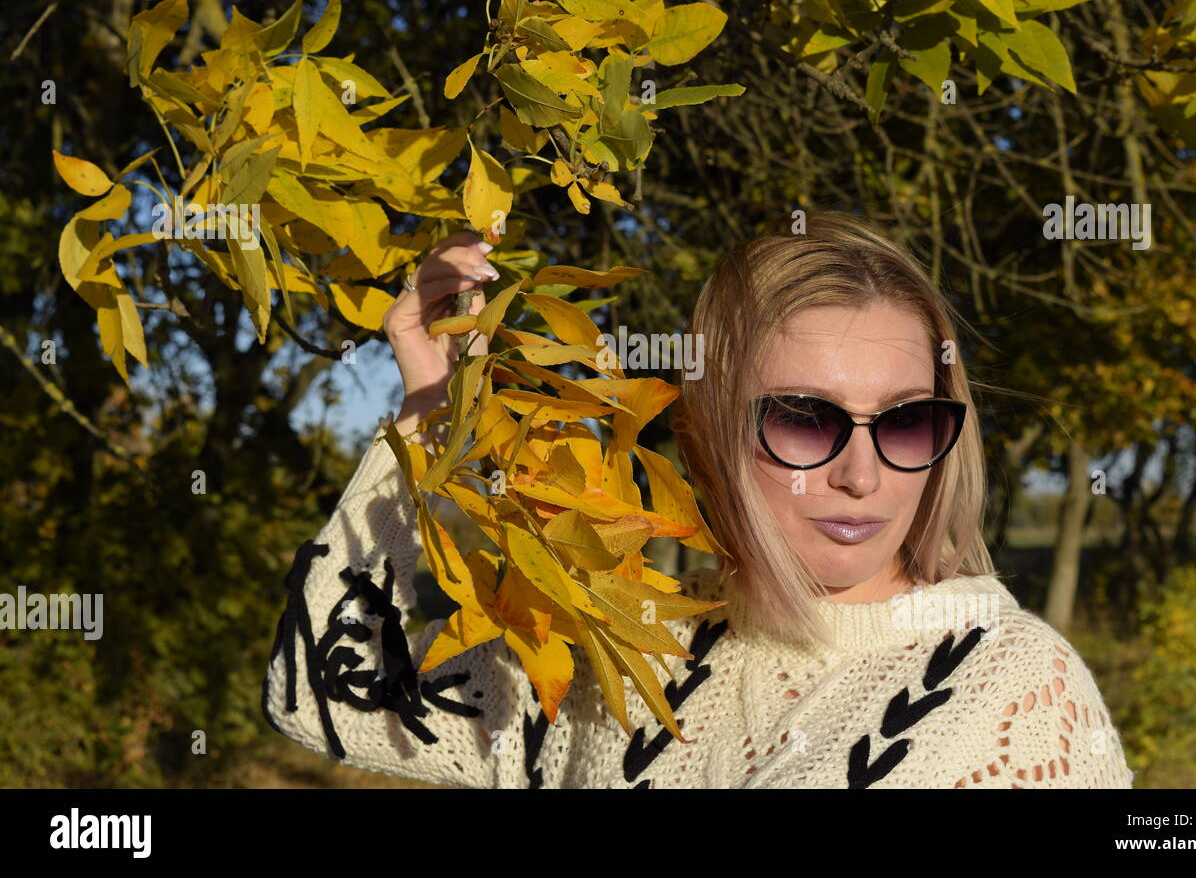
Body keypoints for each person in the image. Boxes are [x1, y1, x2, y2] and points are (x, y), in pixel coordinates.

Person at [262, 209, 1135, 789]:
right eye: (803, 420)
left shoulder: (1012, 690)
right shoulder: (626, 659)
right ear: (707, 434)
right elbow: (323, 694)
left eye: (906, 424)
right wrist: (425, 413)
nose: (863, 477)